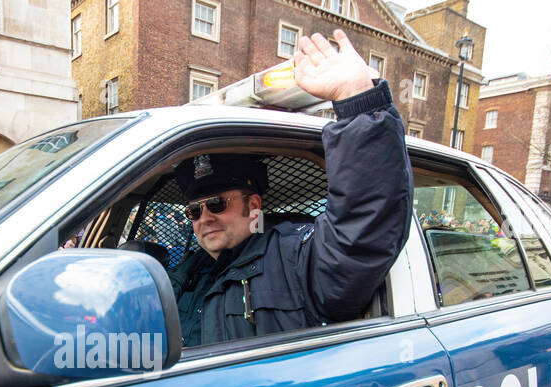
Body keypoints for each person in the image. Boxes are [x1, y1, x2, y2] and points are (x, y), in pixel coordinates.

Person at [166, 29, 412, 347]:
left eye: (216, 203)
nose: (203, 218)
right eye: (194, 210)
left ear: (253, 205)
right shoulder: (188, 272)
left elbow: (363, 228)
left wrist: (358, 102)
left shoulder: (293, 257)